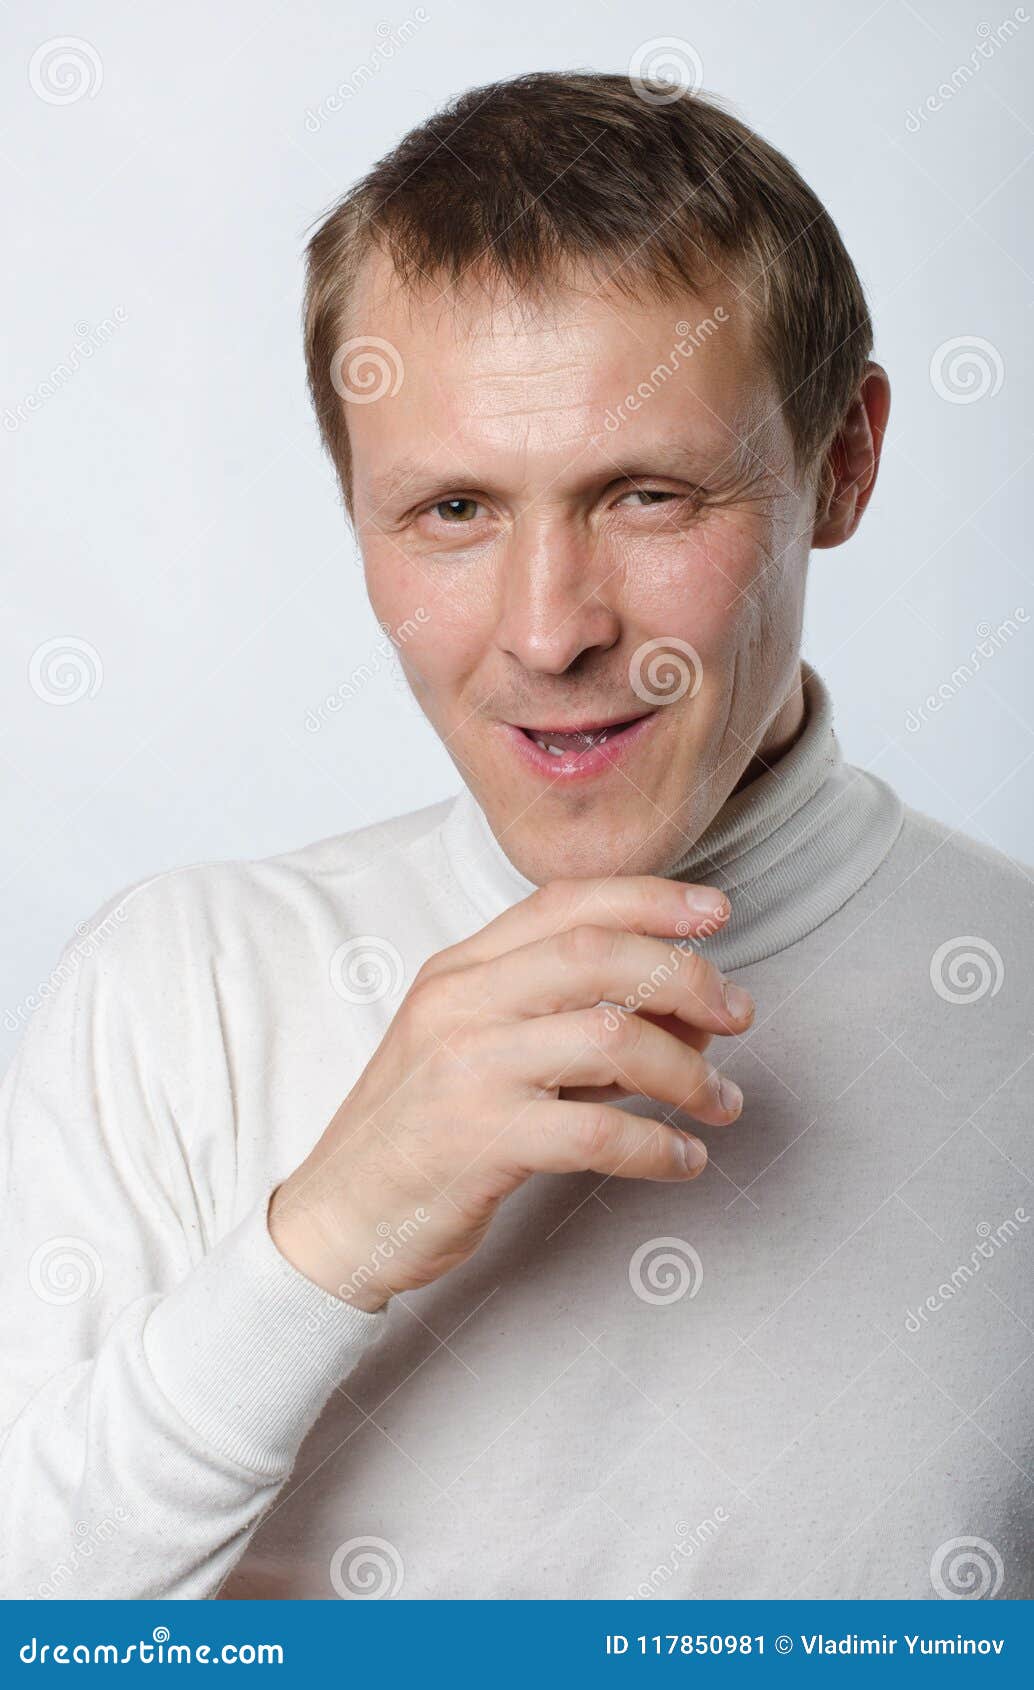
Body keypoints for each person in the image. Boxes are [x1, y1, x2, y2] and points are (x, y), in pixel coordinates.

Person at [2, 71, 1031, 1604]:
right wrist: (325, 1236)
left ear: (845, 461)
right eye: (453, 511)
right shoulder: (177, 990)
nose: (547, 632)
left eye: (646, 495)